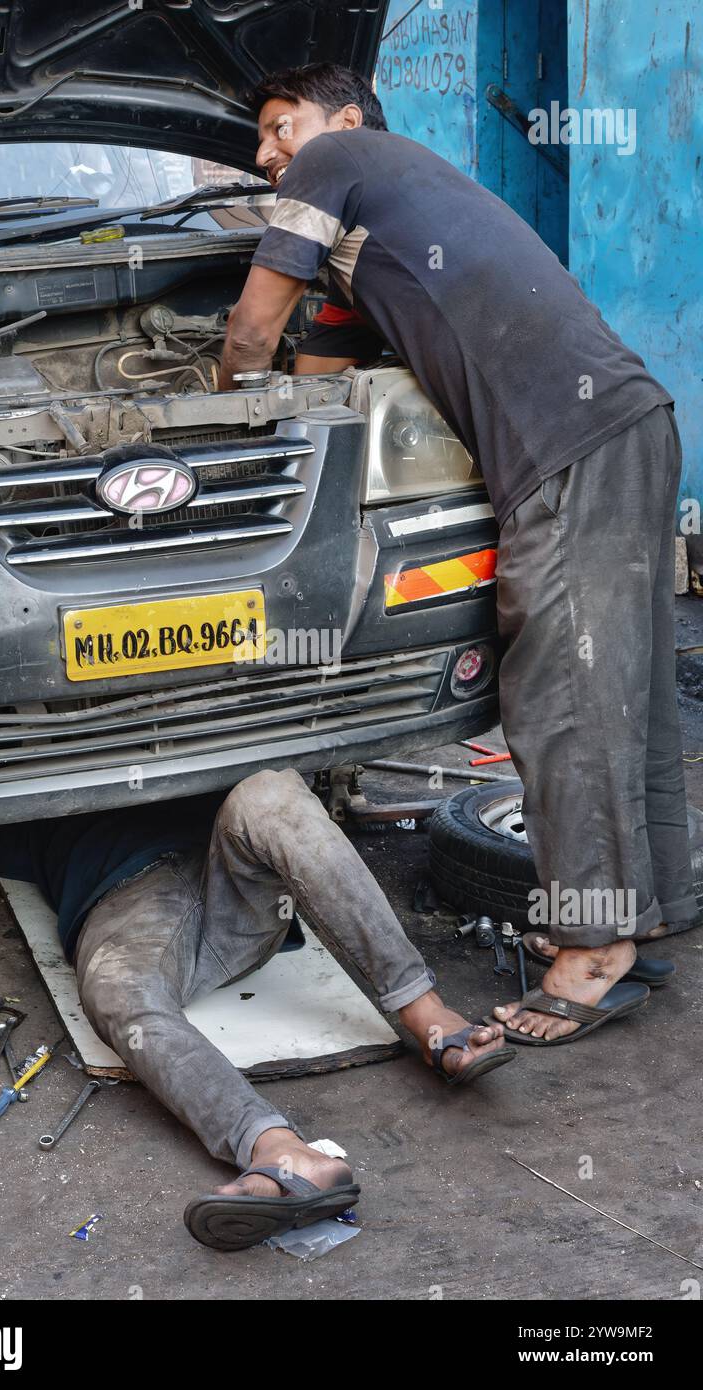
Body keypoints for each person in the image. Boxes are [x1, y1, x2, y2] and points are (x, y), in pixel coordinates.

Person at [217, 61, 697, 1046]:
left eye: (279, 128)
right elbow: (319, 377)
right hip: (630, 426)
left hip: (568, 452)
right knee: (626, 689)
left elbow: (256, 328)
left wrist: (219, 409)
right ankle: (642, 924)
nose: (265, 153)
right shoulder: (384, 232)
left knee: (563, 694)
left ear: (343, 120)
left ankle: (590, 947)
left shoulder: (339, 159)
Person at [0, 769, 511, 1251]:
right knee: (115, 990)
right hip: (129, 905)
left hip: (236, 879)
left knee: (271, 794)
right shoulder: (28, 793)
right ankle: (279, 1152)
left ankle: (426, 1014)